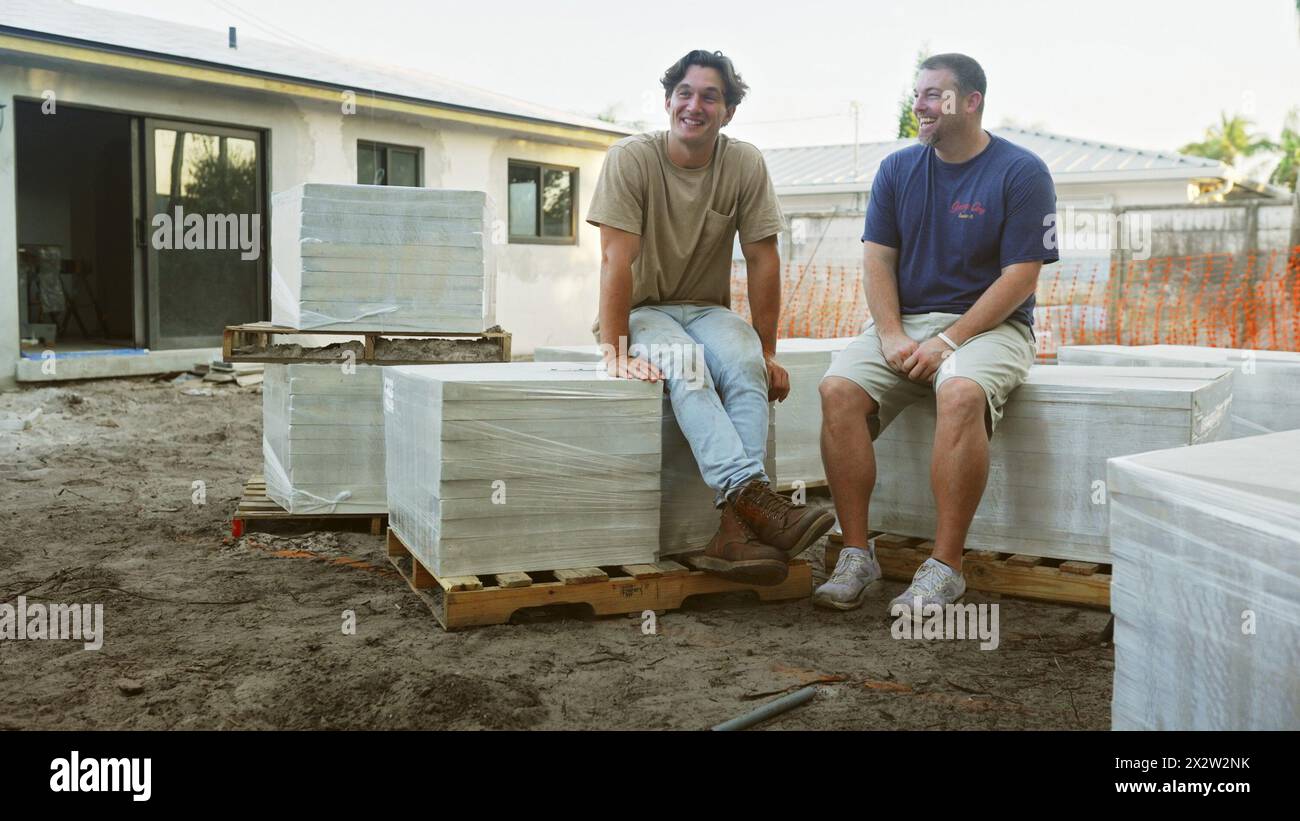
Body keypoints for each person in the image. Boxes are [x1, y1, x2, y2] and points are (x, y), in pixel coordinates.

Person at [814, 53, 1058, 611]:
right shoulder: (898, 170)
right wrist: (893, 334)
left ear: (970, 102)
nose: (918, 106)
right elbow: (877, 261)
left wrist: (948, 342)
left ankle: (945, 567)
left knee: (961, 392)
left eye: (932, 95)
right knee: (837, 391)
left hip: (991, 326)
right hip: (907, 323)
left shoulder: (1021, 172)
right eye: (916, 94)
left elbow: (1021, 277)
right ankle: (856, 555)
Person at [587, 49, 834, 586]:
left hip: (706, 309)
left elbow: (764, 258)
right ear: (668, 100)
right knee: (687, 364)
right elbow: (615, 259)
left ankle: (732, 534)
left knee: (744, 365)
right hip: (642, 310)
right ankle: (754, 498)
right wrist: (615, 349)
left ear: (727, 111)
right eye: (685, 93)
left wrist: (768, 352)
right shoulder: (631, 159)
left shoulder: (743, 163)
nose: (694, 105)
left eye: (710, 96)